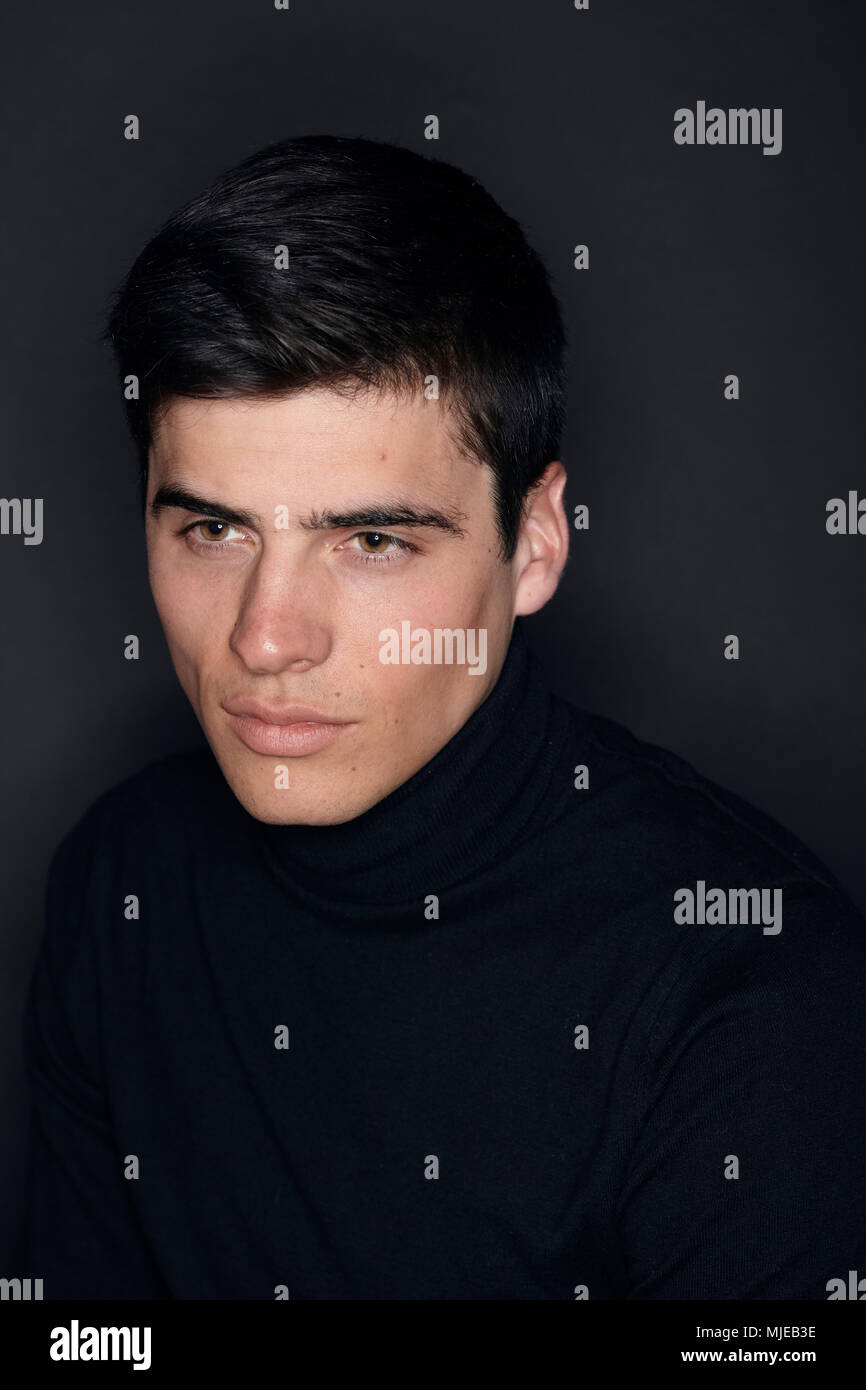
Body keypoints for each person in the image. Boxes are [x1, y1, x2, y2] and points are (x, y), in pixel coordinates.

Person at [21, 134, 866, 1299]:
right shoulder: (117, 884)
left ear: (535, 542)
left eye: (370, 540)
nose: (265, 639)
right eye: (213, 530)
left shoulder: (756, 997)